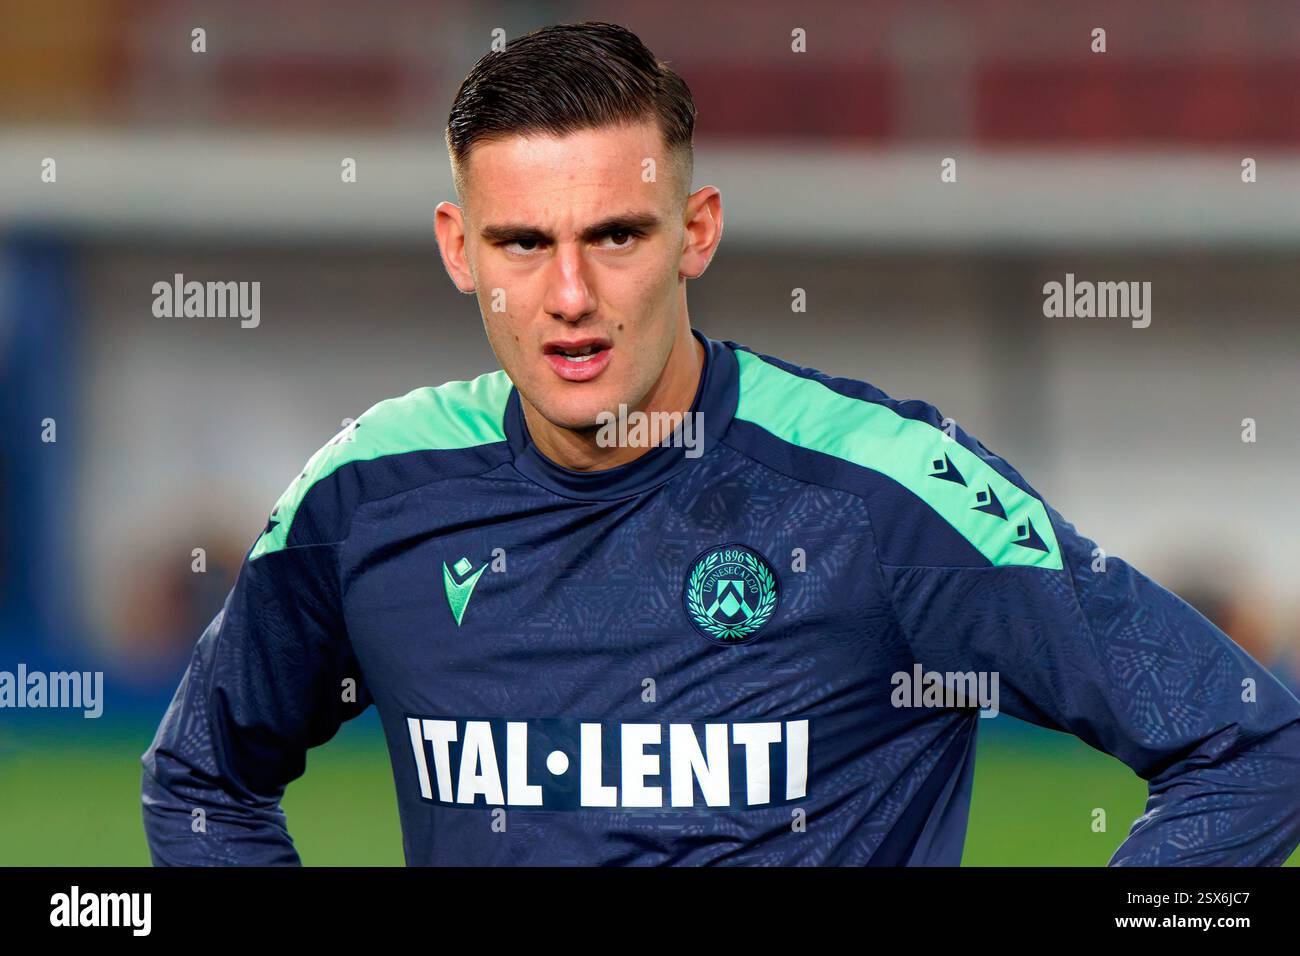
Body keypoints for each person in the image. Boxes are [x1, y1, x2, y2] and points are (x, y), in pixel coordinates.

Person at [142, 20, 1300, 866]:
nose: (570, 293)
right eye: (522, 243)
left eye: (615, 234)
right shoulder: (366, 493)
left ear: (695, 231)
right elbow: (202, 781)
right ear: (459, 250)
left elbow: (1250, 747)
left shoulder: (880, 493)